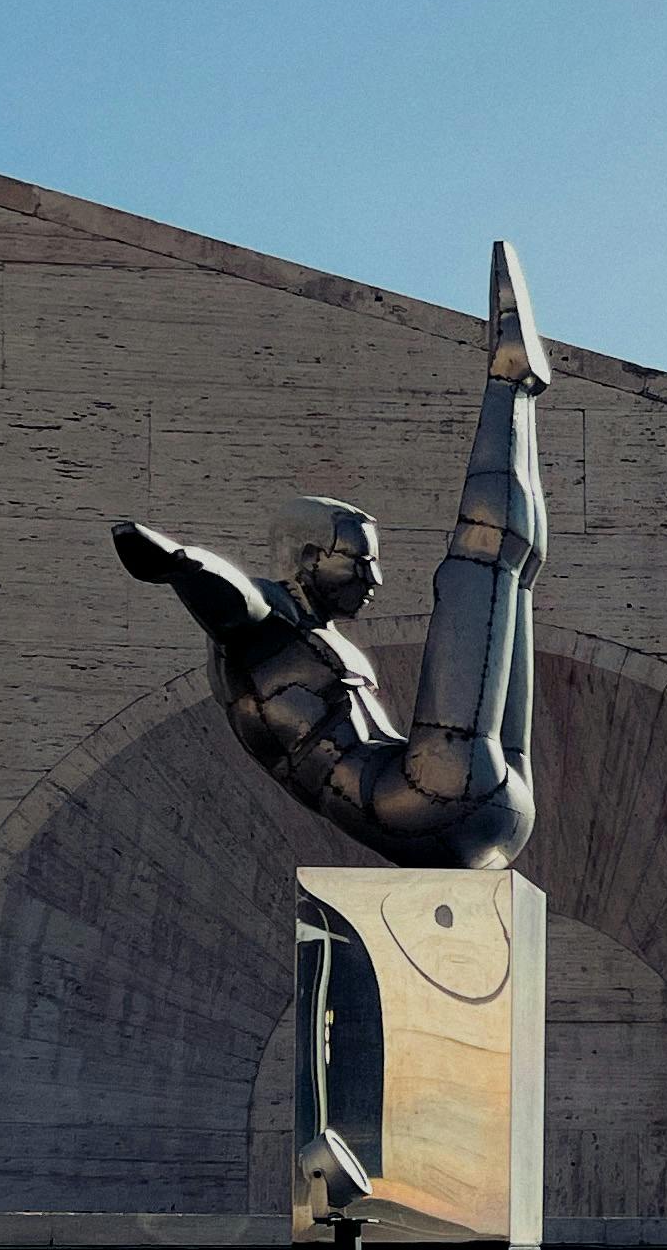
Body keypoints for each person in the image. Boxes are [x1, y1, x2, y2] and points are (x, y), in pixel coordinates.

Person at [111, 240, 549, 868]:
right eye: (360, 561)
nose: (374, 578)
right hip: (419, 800)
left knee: (515, 580)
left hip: (486, 800)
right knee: (479, 567)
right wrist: (177, 561)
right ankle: (507, 387)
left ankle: (520, 398)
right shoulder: (267, 626)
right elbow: (229, 594)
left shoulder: (316, 633)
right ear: (312, 558)